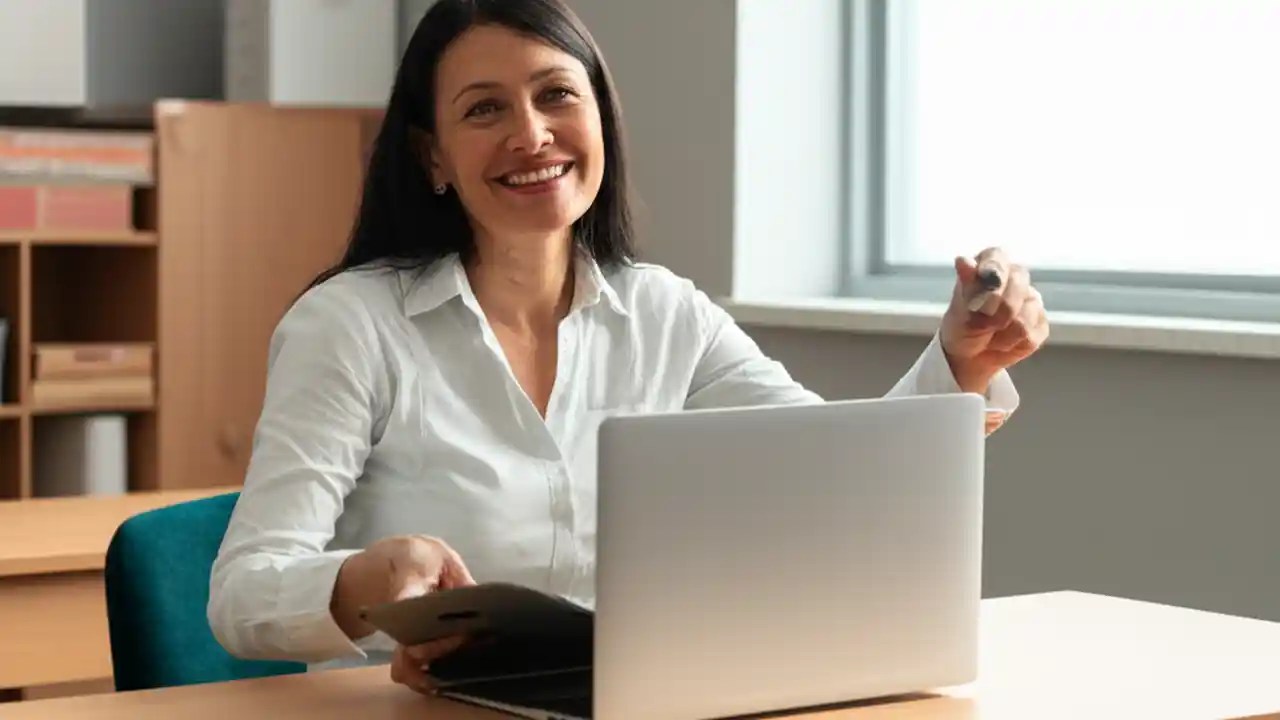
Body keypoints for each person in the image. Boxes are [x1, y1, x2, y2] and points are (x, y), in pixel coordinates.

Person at [207, 0, 1049, 696]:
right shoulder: (349, 326)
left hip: (630, 702)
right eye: (484, 108)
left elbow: (840, 470)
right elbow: (242, 593)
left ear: (598, 117)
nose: (532, 134)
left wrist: (962, 361)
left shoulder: (665, 312)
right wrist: (364, 581)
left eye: (555, 96)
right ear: (432, 155)